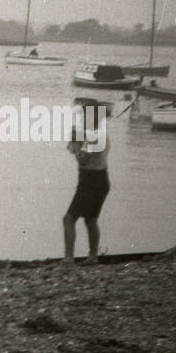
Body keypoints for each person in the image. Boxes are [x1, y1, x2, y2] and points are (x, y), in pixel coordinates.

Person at [62, 97, 111, 264]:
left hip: (92, 180)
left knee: (69, 219)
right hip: (97, 179)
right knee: (90, 219)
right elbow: (74, 150)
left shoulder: (96, 135)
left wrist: (76, 143)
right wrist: (75, 142)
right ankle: (93, 256)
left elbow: (81, 158)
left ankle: (69, 257)